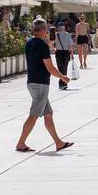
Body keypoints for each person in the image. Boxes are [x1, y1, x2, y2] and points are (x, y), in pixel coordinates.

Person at [16, 17, 74, 153]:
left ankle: (58, 143)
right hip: (40, 84)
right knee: (34, 115)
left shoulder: (29, 43)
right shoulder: (42, 46)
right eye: (46, 30)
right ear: (43, 30)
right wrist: (62, 77)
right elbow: (49, 67)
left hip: (32, 82)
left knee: (48, 114)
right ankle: (20, 143)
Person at [53, 20, 74, 89]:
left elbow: (51, 43)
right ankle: (64, 83)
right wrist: (72, 54)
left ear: (58, 27)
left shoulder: (56, 35)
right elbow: (71, 45)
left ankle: (62, 83)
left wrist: (53, 49)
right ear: (64, 27)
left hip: (58, 52)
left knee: (60, 68)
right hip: (66, 53)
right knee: (65, 68)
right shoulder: (68, 34)